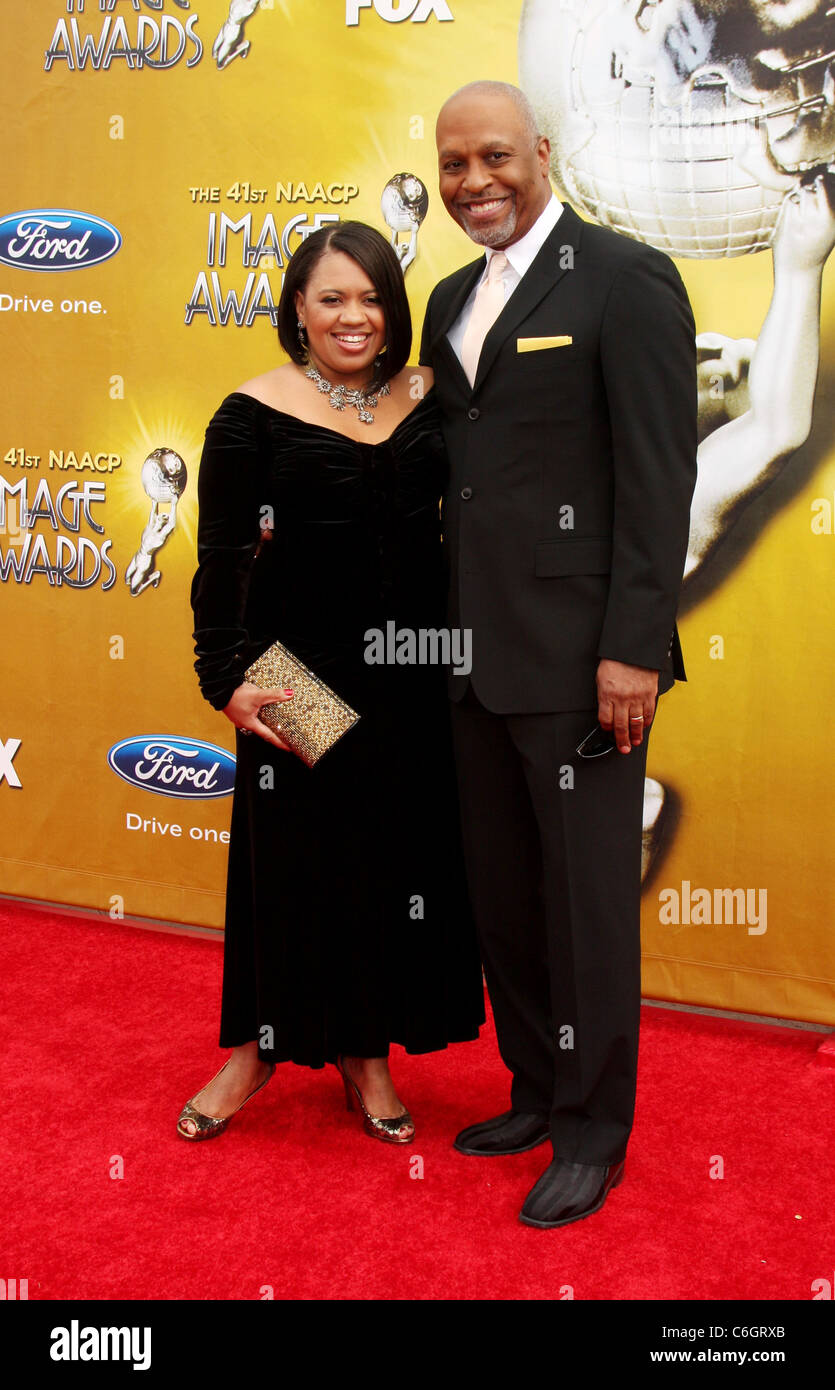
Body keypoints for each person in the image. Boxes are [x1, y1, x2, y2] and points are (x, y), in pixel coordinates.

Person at [420, 81, 697, 1226]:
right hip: (468, 657)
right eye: (453, 164)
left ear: (541, 150)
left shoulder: (623, 279)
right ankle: (534, 1090)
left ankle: (592, 1131)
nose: (474, 181)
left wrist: (632, 647)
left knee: (584, 907)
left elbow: (657, 473)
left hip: (585, 662)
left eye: (494, 156)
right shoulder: (442, 299)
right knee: (506, 899)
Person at [180, 220, 484, 1145]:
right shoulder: (250, 409)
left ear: (394, 310)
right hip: (294, 674)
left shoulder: (430, 394)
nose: (354, 317)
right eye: (331, 299)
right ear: (298, 310)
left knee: (391, 864)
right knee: (293, 865)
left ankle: (365, 1054)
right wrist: (222, 677)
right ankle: (254, 1052)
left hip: (418, 669)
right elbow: (223, 554)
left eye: (371, 298)